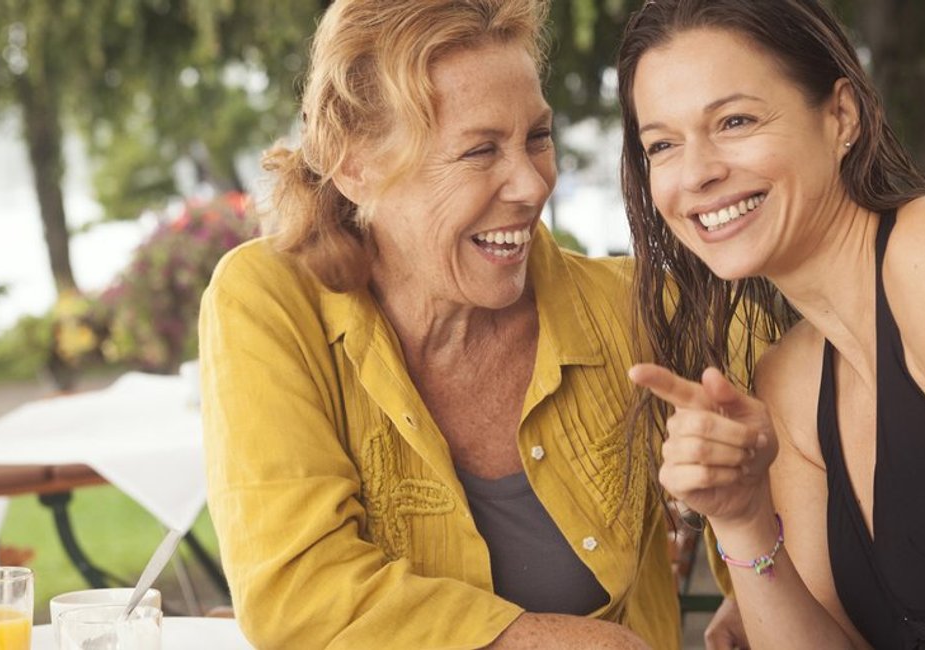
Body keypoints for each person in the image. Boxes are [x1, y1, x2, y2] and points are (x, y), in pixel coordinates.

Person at [615, 0, 925, 648]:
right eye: (662, 144)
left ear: (841, 117)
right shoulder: (790, 380)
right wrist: (742, 521)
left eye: (735, 120)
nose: (698, 171)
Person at [198, 1, 680, 648]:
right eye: (480, 150)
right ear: (355, 166)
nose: (532, 184)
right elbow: (298, 592)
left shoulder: (633, 308)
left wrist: (750, 551)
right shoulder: (270, 301)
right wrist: (553, 642)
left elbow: (805, 408)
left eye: (538, 137)